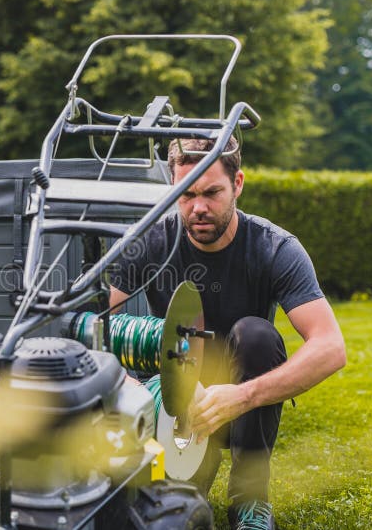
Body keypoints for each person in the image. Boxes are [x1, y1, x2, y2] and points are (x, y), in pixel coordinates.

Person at [109, 137, 346, 530]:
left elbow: (330, 346)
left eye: (212, 192)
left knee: (257, 335)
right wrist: (132, 386)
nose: (198, 207)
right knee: (174, 509)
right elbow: (94, 323)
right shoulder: (149, 241)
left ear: (238, 183)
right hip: (175, 402)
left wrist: (240, 396)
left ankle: (250, 499)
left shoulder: (274, 247)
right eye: (187, 194)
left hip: (244, 403)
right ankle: (189, 474)